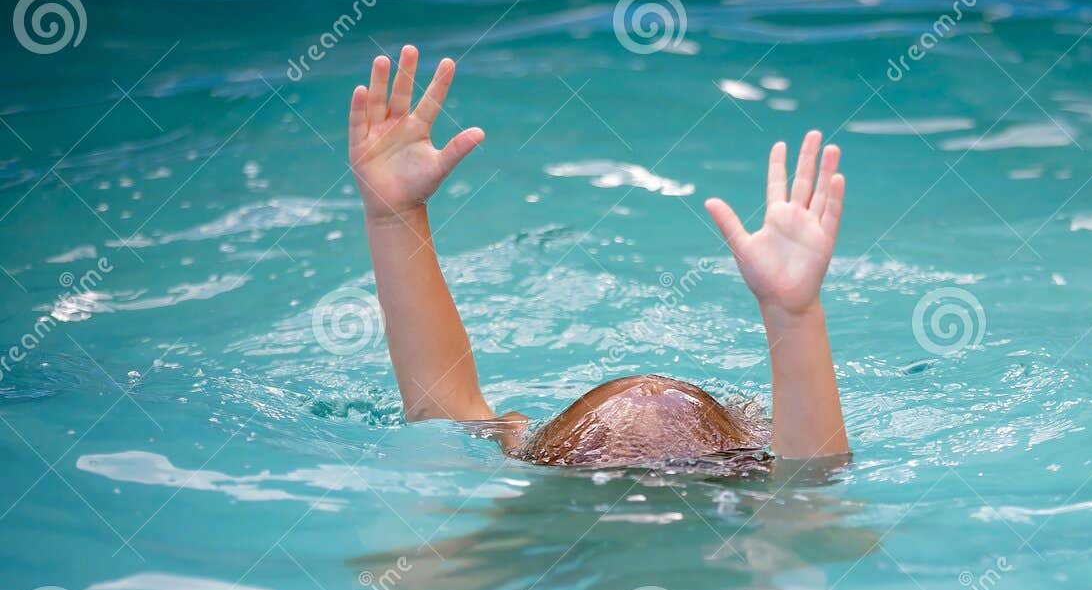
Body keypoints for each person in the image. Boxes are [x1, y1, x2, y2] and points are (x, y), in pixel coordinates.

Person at [347, 46, 849, 466]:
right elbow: (808, 492)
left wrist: (395, 219)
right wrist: (792, 317)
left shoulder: (512, 538)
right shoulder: (758, 523)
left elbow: (445, 418)